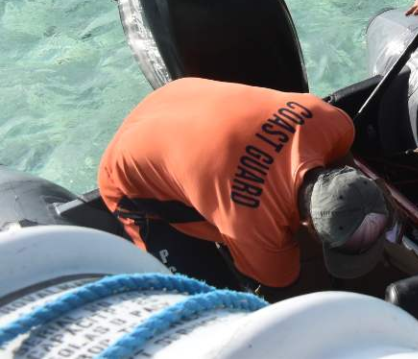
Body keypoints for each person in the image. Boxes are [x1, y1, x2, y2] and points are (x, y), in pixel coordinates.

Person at [97, 77, 393, 297]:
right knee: (205, 302)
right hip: (131, 177)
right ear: (310, 229)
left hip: (176, 98)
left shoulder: (331, 121)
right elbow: (291, 297)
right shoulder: (252, 225)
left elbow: (344, 162)